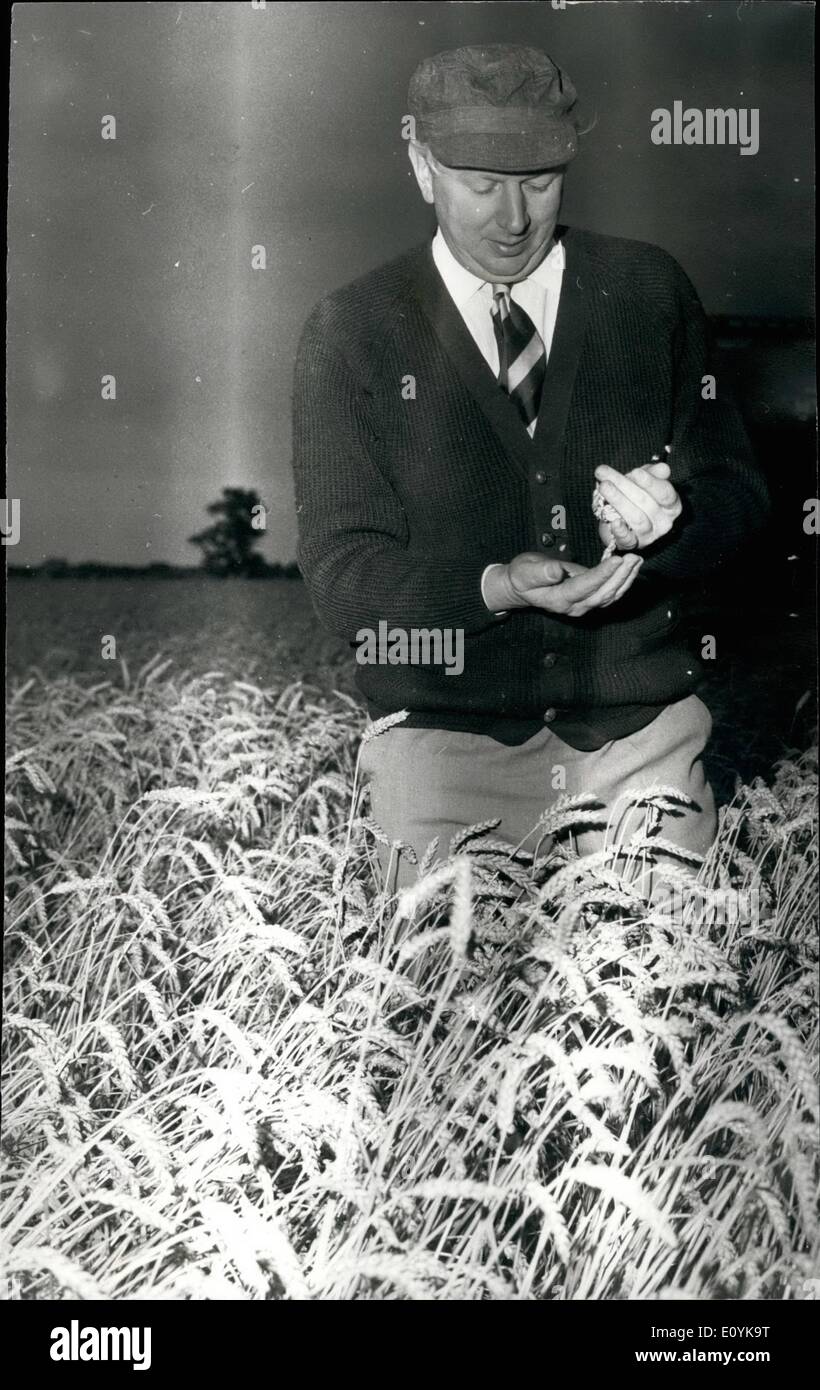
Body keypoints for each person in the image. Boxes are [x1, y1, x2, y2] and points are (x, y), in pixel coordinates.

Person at [293, 44, 769, 890]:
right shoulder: (352, 331)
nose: (514, 216)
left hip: (639, 737)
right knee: (444, 1010)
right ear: (420, 165)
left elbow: (739, 497)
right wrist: (496, 586)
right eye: (480, 183)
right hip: (443, 752)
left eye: (542, 180)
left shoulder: (650, 293)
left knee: (668, 999)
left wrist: (677, 522)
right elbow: (342, 576)